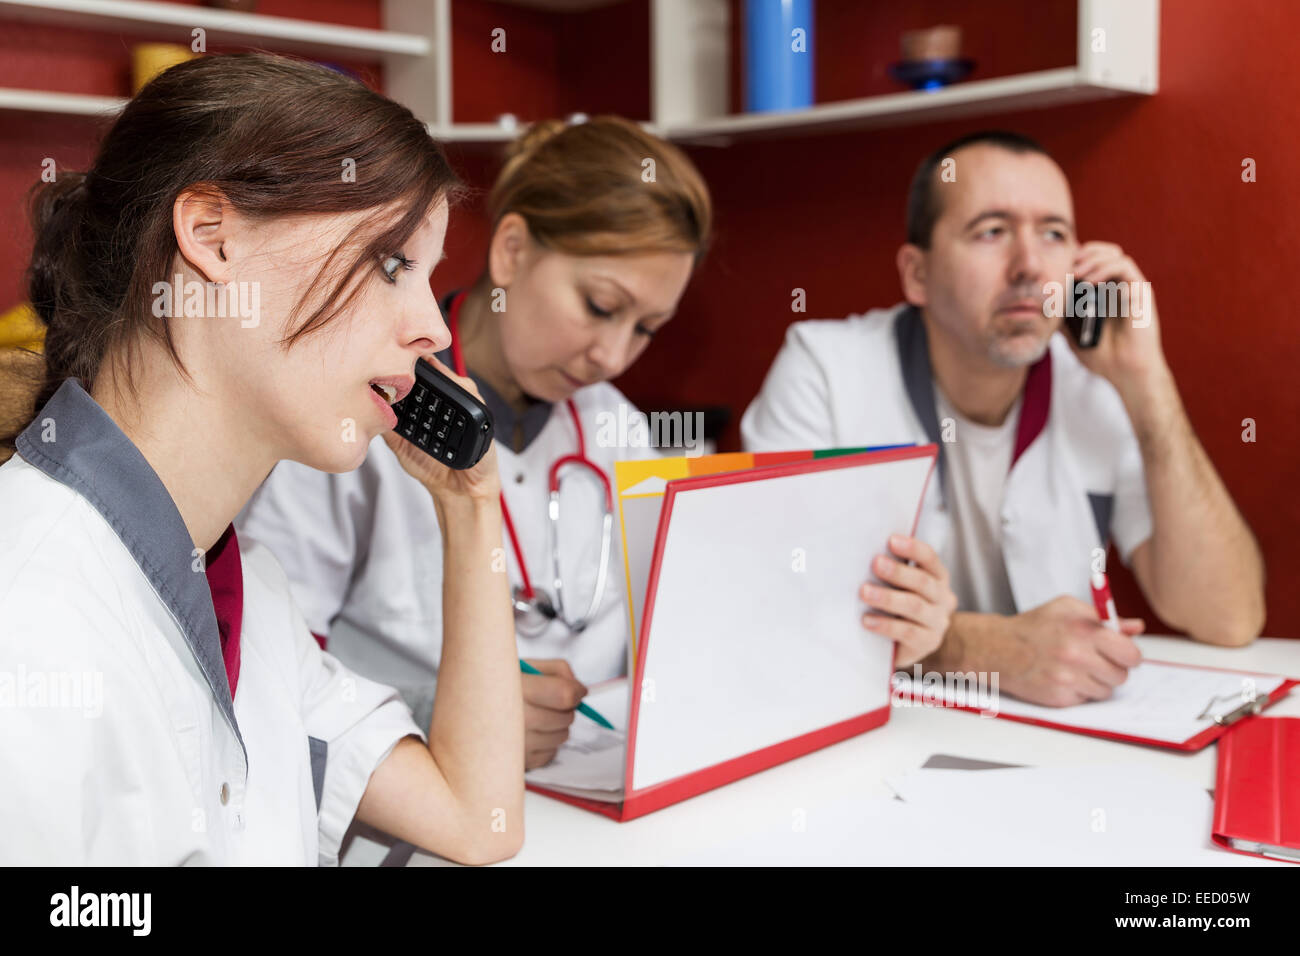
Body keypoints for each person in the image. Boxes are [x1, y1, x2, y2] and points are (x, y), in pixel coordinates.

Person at [238, 116, 957, 770]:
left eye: (645, 328)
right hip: (408, 805)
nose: (612, 356)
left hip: (586, 789)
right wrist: (437, 716)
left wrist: (875, 625)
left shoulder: (622, 428)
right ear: (513, 250)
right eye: (601, 307)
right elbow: (266, 673)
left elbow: (695, 632)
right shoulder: (367, 408)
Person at [0, 53, 523, 865]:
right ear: (211, 237)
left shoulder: (245, 592)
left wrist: (471, 505)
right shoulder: (25, 617)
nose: (436, 331)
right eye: (391, 264)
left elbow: (475, 820)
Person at [742, 130, 1266, 708]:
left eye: (1053, 234)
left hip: (1059, 750)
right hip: (871, 734)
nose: (1029, 266)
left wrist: (1149, 383)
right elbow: (767, 599)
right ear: (917, 274)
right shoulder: (824, 368)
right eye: (991, 231)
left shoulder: (1099, 381)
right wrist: (982, 649)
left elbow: (1229, 616)